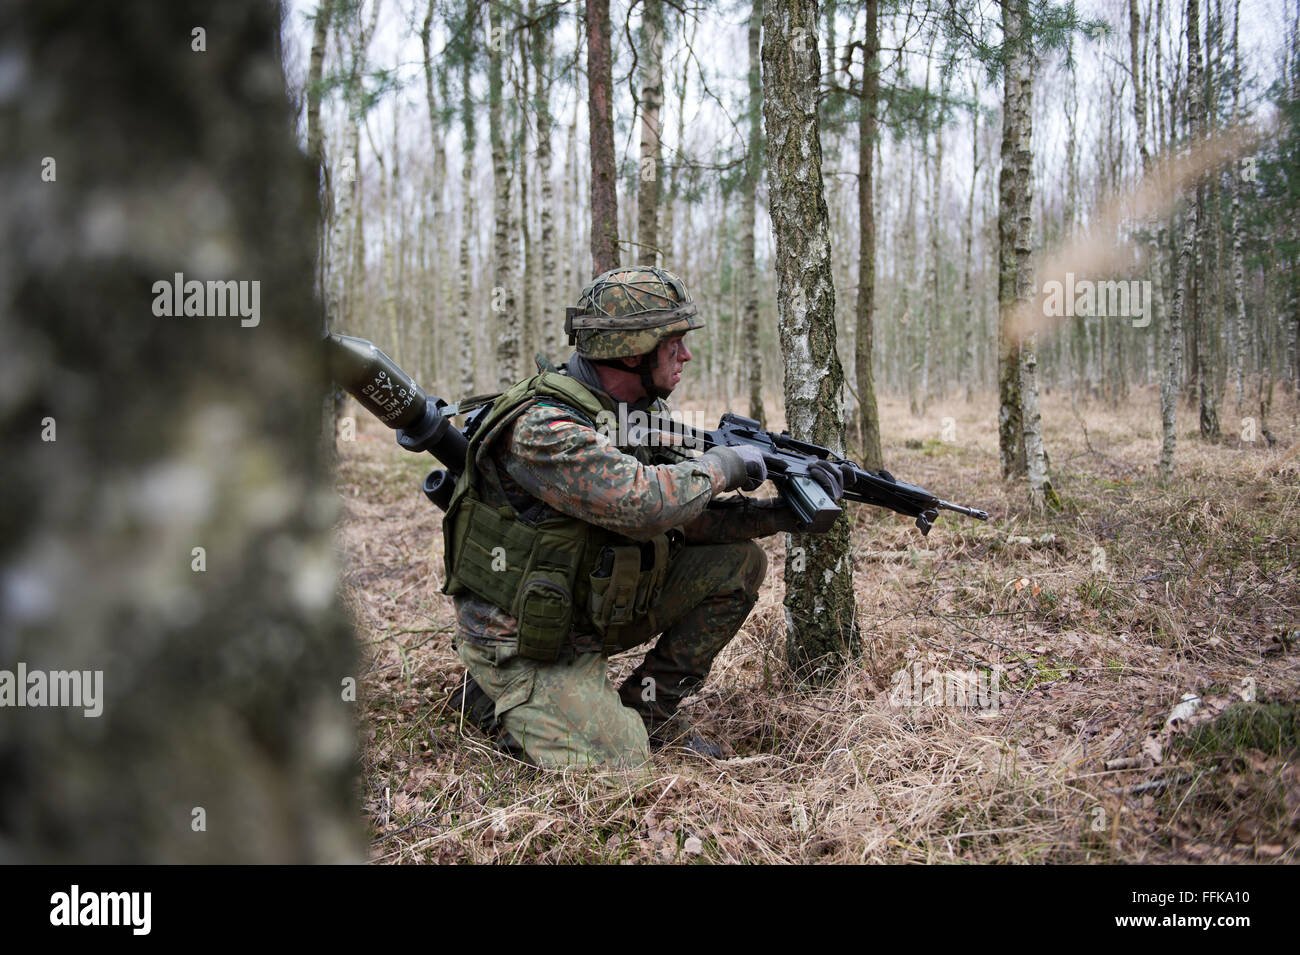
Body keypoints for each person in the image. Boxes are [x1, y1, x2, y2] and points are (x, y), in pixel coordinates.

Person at [442, 265, 846, 768]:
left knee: (736, 564)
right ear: (632, 349)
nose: (686, 355)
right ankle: (494, 698)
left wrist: (776, 515)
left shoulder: (631, 413)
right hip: (523, 637)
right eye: (673, 341)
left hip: (583, 610)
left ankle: (646, 712)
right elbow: (646, 505)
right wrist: (726, 465)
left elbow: (686, 519)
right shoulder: (544, 426)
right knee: (622, 767)